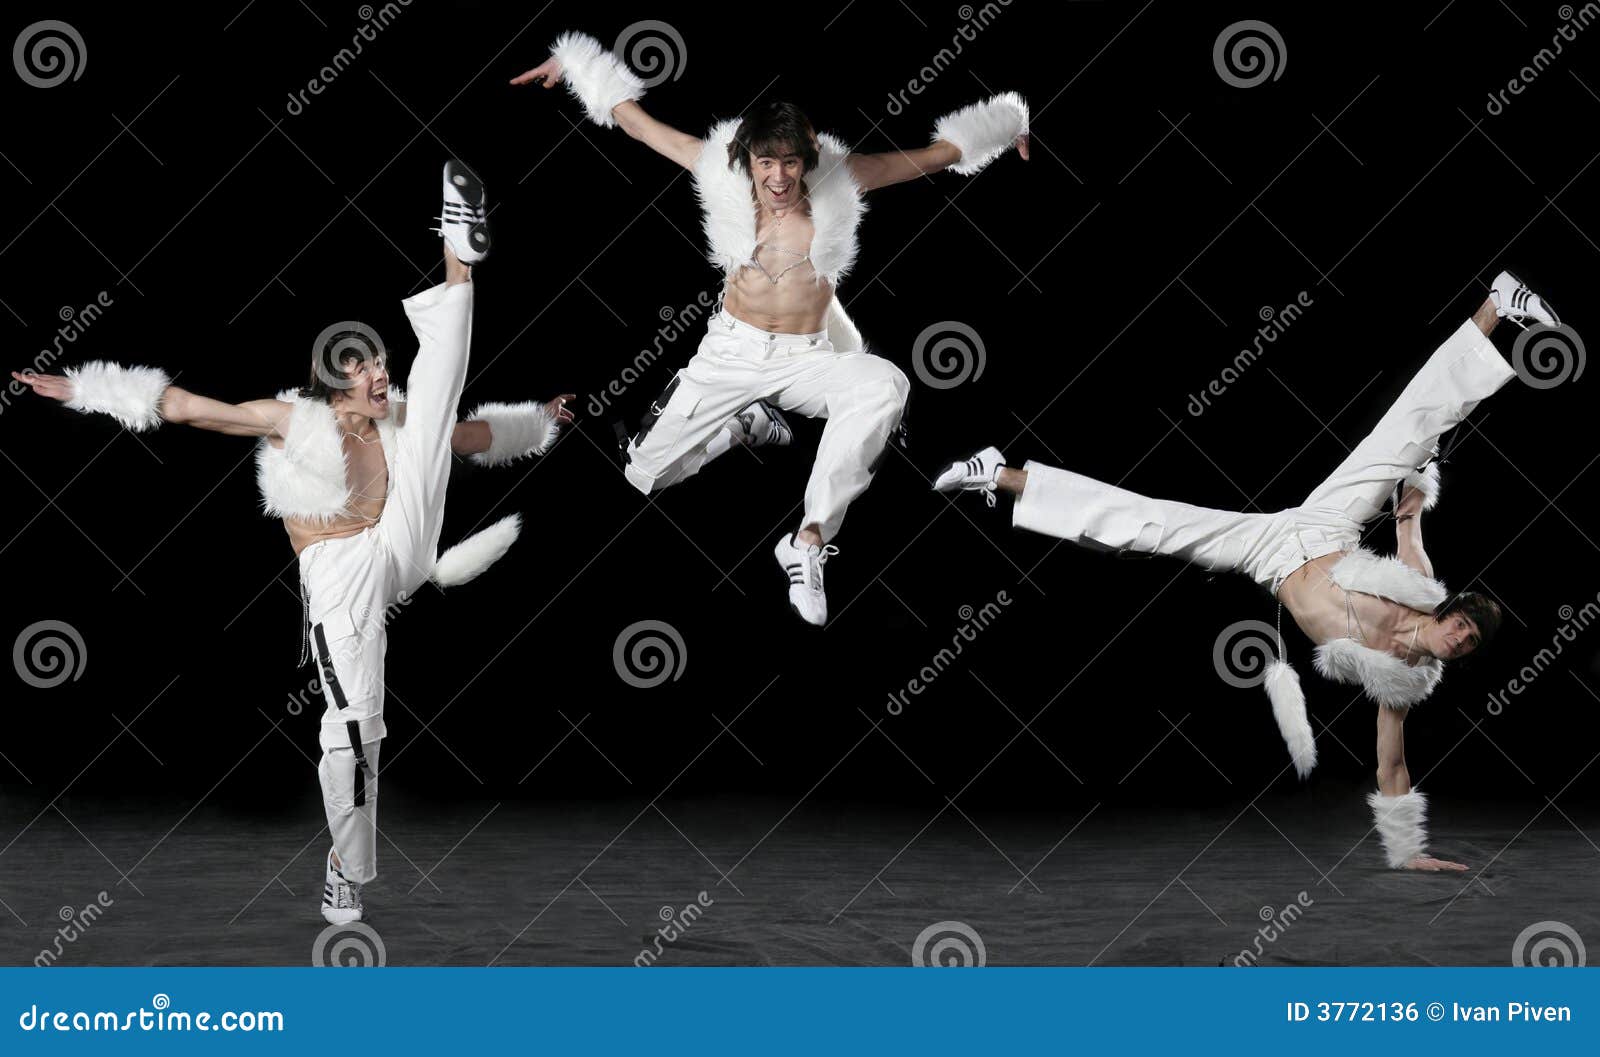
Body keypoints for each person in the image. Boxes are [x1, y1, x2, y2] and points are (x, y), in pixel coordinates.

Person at [13, 160, 574, 923]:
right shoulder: (290, 419)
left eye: (380, 362)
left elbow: (464, 434)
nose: (380, 375)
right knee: (355, 731)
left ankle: (458, 256)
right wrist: (84, 388)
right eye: (366, 371)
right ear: (334, 387)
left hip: (401, 545)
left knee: (433, 413)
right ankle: (346, 866)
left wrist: (536, 423)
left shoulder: (396, 416)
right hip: (341, 580)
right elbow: (185, 406)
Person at [933, 271, 1561, 871]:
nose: (1459, 640)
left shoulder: (1402, 682)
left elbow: (1391, 766)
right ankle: (1498, 304)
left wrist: (1407, 849)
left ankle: (1004, 478)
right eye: (1462, 627)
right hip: (1327, 526)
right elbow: (1408, 519)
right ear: (1450, 614)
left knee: (1151, 528)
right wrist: (1419, 475)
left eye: (1469, 644)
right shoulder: (1421, 589)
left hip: (1269, 558)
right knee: (1407, 428)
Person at [510, 31, 1028, 624]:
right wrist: (572, 61)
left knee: (885, 384)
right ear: (746, 159)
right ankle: (745, 427)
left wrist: (1009, 119)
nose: (778, 179)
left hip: (807, 356)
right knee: (644, 475)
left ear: (808, 159)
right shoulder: (716, 167)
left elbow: (935, 156)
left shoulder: (844, 177)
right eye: (766, 164)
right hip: (731, 352)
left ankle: (807, 542)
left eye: (790, 164)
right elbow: (638, 123)